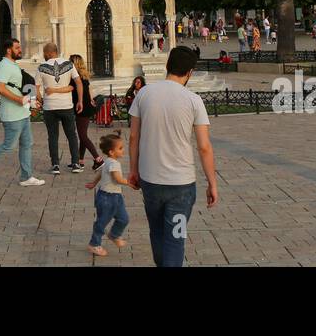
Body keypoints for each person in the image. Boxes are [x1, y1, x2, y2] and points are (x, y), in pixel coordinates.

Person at [127, 46, 217, 268]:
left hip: (151, 180)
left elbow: (133, 137)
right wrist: (212, 183)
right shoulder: (194, 100)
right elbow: (204, 147)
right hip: (181, 185)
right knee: (176, 238)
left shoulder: (144, 94)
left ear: (167, 66)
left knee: (157, 232)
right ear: (190, 72)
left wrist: (133, 170)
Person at [0, 38, 44, 187]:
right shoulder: (4, 65)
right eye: (17, 48)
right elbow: (0, 88)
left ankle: (26, 177)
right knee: (9, 146)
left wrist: (30, 102)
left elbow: (15, 87)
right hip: (12, 114)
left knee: (26, 144)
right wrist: (18, 100)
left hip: (22, 113)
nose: (20, 50)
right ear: (8, 50)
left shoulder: (13, 65)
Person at [36, 42, 83, 174]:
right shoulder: (68, 65)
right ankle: (75, 163)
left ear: (48, 53)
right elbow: (78, 82)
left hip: (50, 107)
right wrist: (80, 101)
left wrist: (42, 101)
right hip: (66, 105)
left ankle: (55, 165)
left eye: (44, 53)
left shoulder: (41, 67)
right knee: (72, 135)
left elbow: (37, 90)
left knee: (52, 136)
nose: (44, 55)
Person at [85, 132, 130, 256]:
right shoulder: (113, 164)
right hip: (107, 198)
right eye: (120, 148)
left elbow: (100, 173)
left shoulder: (108, 162)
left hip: (116, 197)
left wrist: (93, 183)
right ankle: (94, 244)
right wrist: (130, 183)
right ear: (111, 152)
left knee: (123, 219)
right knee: (101, 222)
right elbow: (117, 179)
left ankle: (114, 235)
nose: (123, 150)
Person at [69, 53, 102, 170]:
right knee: (83, 134)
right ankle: (80, 160)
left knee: (82, 136)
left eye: (70, 62)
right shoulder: (83, 76)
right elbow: (88, 91)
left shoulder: (74, 78)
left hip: (81, 108)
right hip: (87, 106)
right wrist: (91, 99)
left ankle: (98, 159)